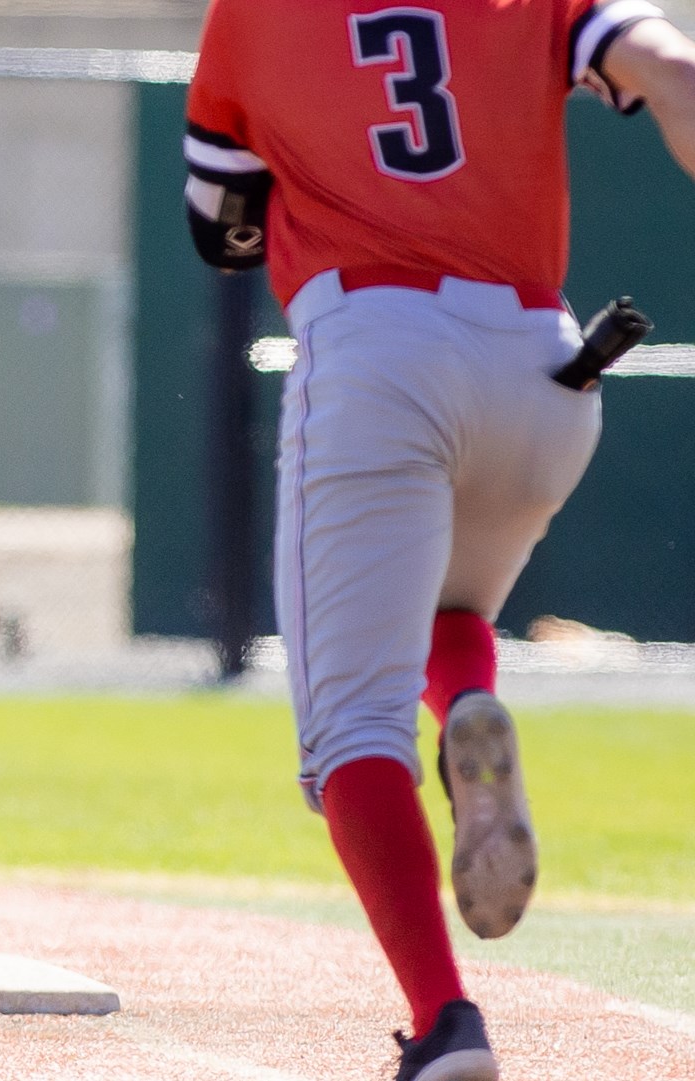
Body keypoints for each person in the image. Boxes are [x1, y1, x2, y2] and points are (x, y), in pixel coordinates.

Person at [184, 2, 695, 1077]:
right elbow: (662, 61)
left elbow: (218, 225)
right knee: (448, 607)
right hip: (545, 368)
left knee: (347, 733)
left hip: (378, 348)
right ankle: (465, 697)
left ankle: (445, 1022)